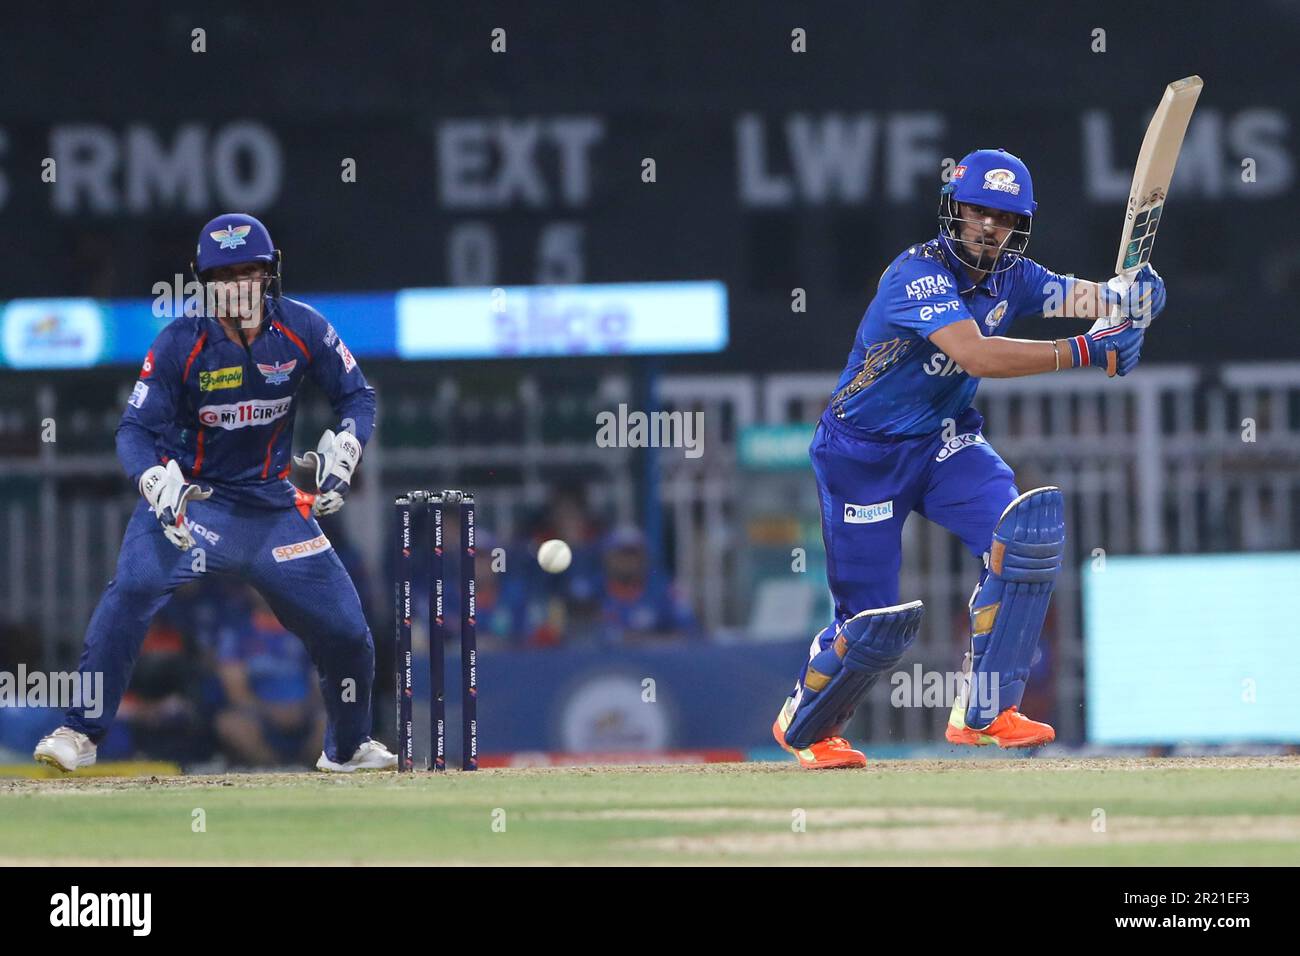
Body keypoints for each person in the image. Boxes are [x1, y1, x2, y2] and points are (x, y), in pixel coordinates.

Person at [772, 149, 1166, 769]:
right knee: (872, 627)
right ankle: (809, 728)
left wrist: (1133, 300)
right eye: (978, 211)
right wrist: (1089, 352)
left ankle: (985, 712)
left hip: (943, 440)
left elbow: (1092, 299)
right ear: (953, 210)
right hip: (862, 455)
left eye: (1005, 218)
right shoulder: (915, 275)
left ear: (1019, 226)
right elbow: (976, 355)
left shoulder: (1018, 276)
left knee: (1024, 539)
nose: (989, 227)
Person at [34, 213, 396, 773]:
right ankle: (80, 732)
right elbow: (134, 431)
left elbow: (358, 397)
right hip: (193, 504)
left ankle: (347, 749)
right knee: (131, 591)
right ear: (204, 282)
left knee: (349, 631)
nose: (240, 287)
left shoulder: (306, 328)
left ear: (270, 274)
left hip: (272, 507)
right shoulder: (181, 344)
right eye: (226, 276)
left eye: (251, 272)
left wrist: (346, 450)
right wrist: (154, 481)